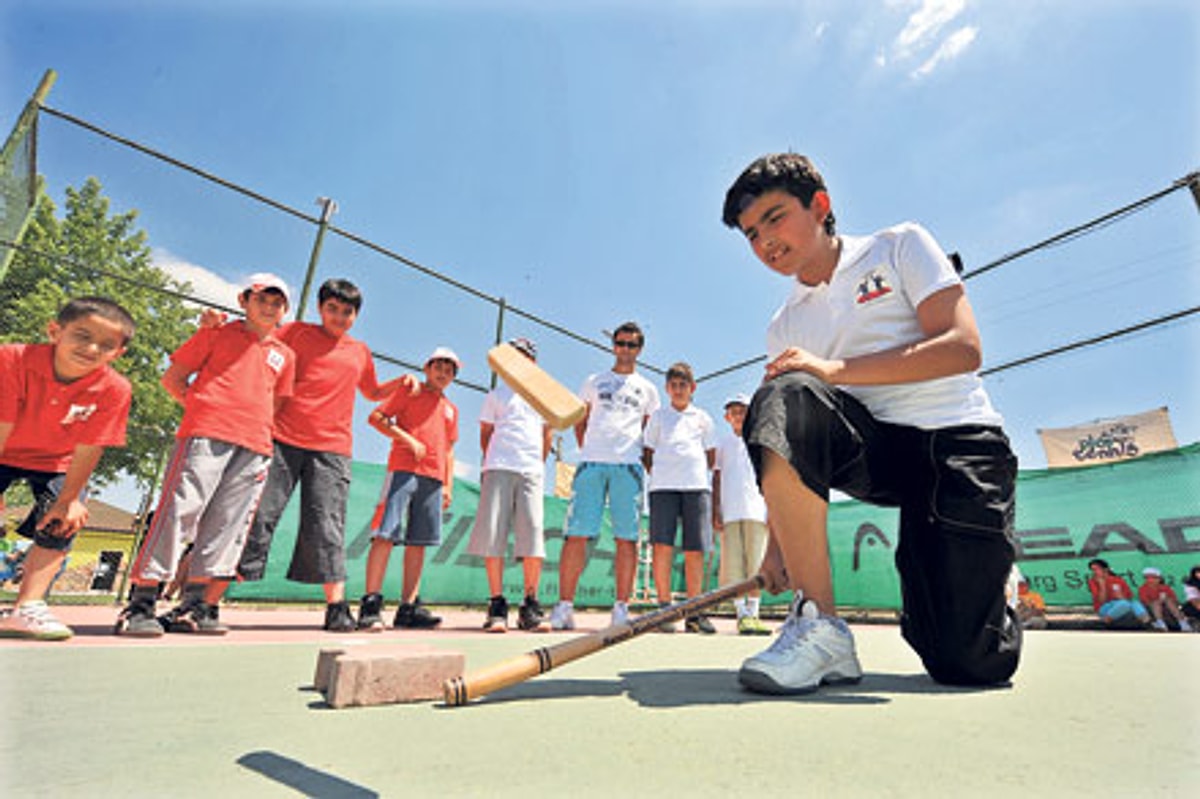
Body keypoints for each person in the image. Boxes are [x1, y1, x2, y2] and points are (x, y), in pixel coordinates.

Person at [721, 153, 1021, 694]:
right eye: (749, 234)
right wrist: (777, 549)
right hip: (878, 453)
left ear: (820, 206)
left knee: (969, 662)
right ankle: (821, 627)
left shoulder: (900, 245)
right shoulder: (783, 325)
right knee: (782, 390)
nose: (764, 241)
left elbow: (963, 346)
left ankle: (991, 577)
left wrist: (835, 369)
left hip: (958, 444)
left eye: (774, 217)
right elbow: (788, 431)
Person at [201, 278, 410, 632]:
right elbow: (259, 338)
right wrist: (218, 326)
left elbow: (372, 391)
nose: (339, 316)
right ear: (320, 308)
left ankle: (337, 608)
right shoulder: (296, 332)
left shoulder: (359, 351)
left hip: (332, 449)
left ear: (356, 316)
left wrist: (400, 382)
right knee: (256, 518)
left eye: (347, 312)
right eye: (333, 309)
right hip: (280, 440)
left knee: (328, 524)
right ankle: (207, 603)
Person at [116, 274, 295, 636]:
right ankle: (141, 601)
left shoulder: (284, 355)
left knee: (227, 524)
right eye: (263, 299)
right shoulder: (217, 333)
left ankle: (196, 605)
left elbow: (275, 403)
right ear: (244, 300)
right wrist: (202, 409)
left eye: (278, 303)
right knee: (180, 510)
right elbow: (173, 379)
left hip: (255, 445)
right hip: (207, 434)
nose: (270, 307)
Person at [0, 297, 134, 640]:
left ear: (118, 354)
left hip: (55, 462)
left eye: (106, 345)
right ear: (55, 331)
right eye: (82, 335)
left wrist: (70, 499)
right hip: (5, 447)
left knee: (65, 518)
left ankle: (27, 606)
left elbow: (89, 447)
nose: (91, 349)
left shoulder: (115, 390)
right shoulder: (13, 358)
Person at [552, 322, 660, 630]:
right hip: (592, 465)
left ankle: (620, 609)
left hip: (629, 467)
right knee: (577, 535)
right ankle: (564, 607)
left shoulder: (648, 389)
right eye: (620, 343)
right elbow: (579, 421)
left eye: (631, 345)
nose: (624, 349)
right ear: (612, 346)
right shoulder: (593, 381)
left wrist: (636, 458)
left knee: (626, 538)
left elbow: (650, 431)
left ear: (639, 350)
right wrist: (590, 450)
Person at [358, 346, 460, 630]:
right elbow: (376, 418)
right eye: (438, 366)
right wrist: (407, 440)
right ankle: (370, 603)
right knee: (385, 535)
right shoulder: (409, 391)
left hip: (434, 479)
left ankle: (408, 608)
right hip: (403, 471)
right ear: (427, 368)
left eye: (449, 370)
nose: (443, 373)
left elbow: (450, 449)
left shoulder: (451, 409)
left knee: (419, 543)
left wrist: (448, 484)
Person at [466, 337, 553, 632]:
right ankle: (497, 604)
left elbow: (546, 437)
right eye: (514, 355)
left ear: (533, 363)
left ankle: (530, 604)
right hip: (498, 467)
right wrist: (495, 462)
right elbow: (486, 434)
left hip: (531, 472)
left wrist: (535, 466)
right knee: (494, 535)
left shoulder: (543, 398)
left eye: (525, 356)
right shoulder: (495, 395)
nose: (519, 360)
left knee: (533, 536)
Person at [642, 362, 717, 633]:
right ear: (667, 388)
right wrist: (664, 474)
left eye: (683, 384)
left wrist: (690, 473)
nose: (678, 389)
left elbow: (710, 457)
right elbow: (647, 453)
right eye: (673, 385)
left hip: (696, 488)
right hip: (662, 488)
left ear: (692, 388)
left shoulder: (703, 419)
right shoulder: (658, 417)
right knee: (662, 546)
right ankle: (664, 609)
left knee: (694, 550)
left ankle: (694, 612)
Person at [712, 392, 771, 635]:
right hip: (730, 514)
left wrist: (772, 510)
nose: (738, 415)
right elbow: (715, 478)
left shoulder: (761, 442)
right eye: (734, 411)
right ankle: (741, 615)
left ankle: (754, 614)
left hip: (757, 512)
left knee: (756, 565)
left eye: (743, 410)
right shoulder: (722, 444)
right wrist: (716, 510)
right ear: (727, 417)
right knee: (734, 566)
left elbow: (769, 479)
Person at [1086, 558, 1151, 628]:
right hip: (1104, 607)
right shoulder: (1093, 581)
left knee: (1135, 603)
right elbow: (1101, 601)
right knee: (1124, 604)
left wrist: (1120, 597)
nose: (1094, 572)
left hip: (1120, 603)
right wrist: (1102, 585)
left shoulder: (1118, 580)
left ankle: (1146, 621)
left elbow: (1129, 596)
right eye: (1093, 570)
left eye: (1096, 569)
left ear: (1105, 569)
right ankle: (1105, 621)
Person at [1137, 566, 1192, 632]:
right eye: (1148, 578)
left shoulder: (1165, 587)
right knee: (1156, 603)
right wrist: (1158, 600)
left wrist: (1165, 598)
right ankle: (1160, 623)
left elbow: (1174, 599)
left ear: (1159, 579)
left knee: (1168, 600)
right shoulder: (1143, 588)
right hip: (1152, 606)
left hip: (1168, 606)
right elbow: (1144, 601)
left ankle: (1182, 622)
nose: (1151, 580)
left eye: (1154, 578)